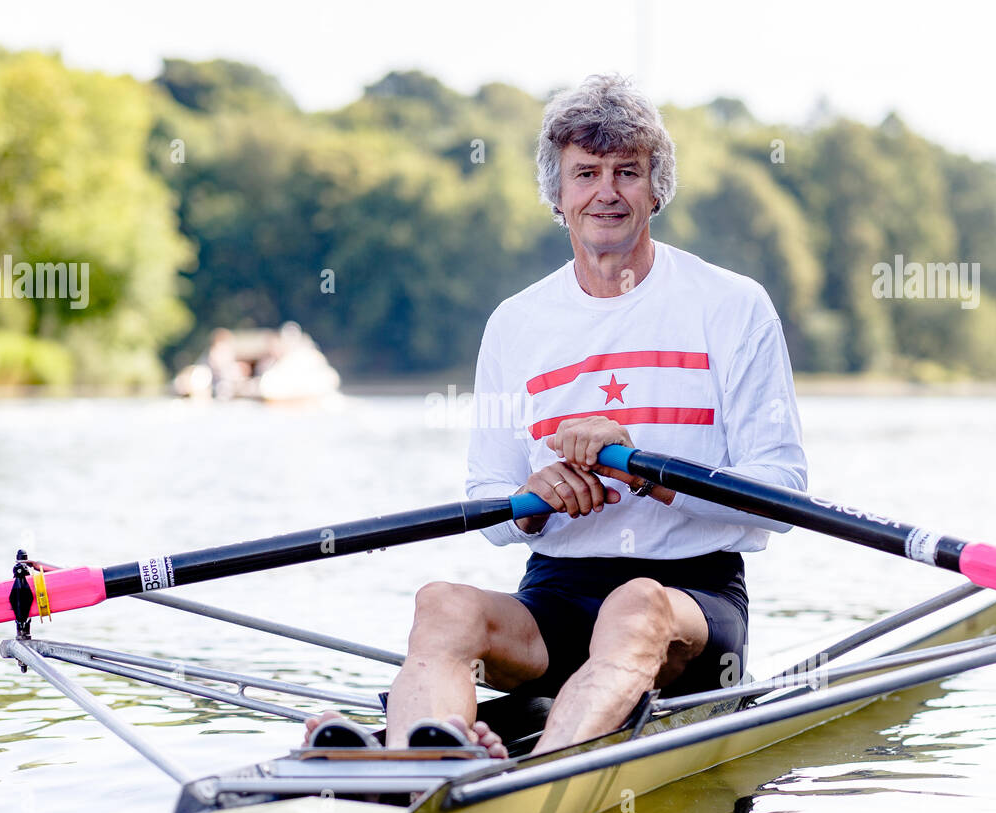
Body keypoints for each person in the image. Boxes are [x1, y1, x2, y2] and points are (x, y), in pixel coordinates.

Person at [306, 73, 806, 757]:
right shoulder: (517, 324)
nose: (607, 191)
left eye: (628, 172)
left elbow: (782, 494)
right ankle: (425, 757)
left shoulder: (732, 305)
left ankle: (527, 783)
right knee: (440, 603)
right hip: (555, 596)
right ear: (559, 195)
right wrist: (532, 501)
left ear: (656, 189)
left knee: (635, 604)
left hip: (688, 594)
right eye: (587, 173)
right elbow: (489, 498)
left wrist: (648, 475)